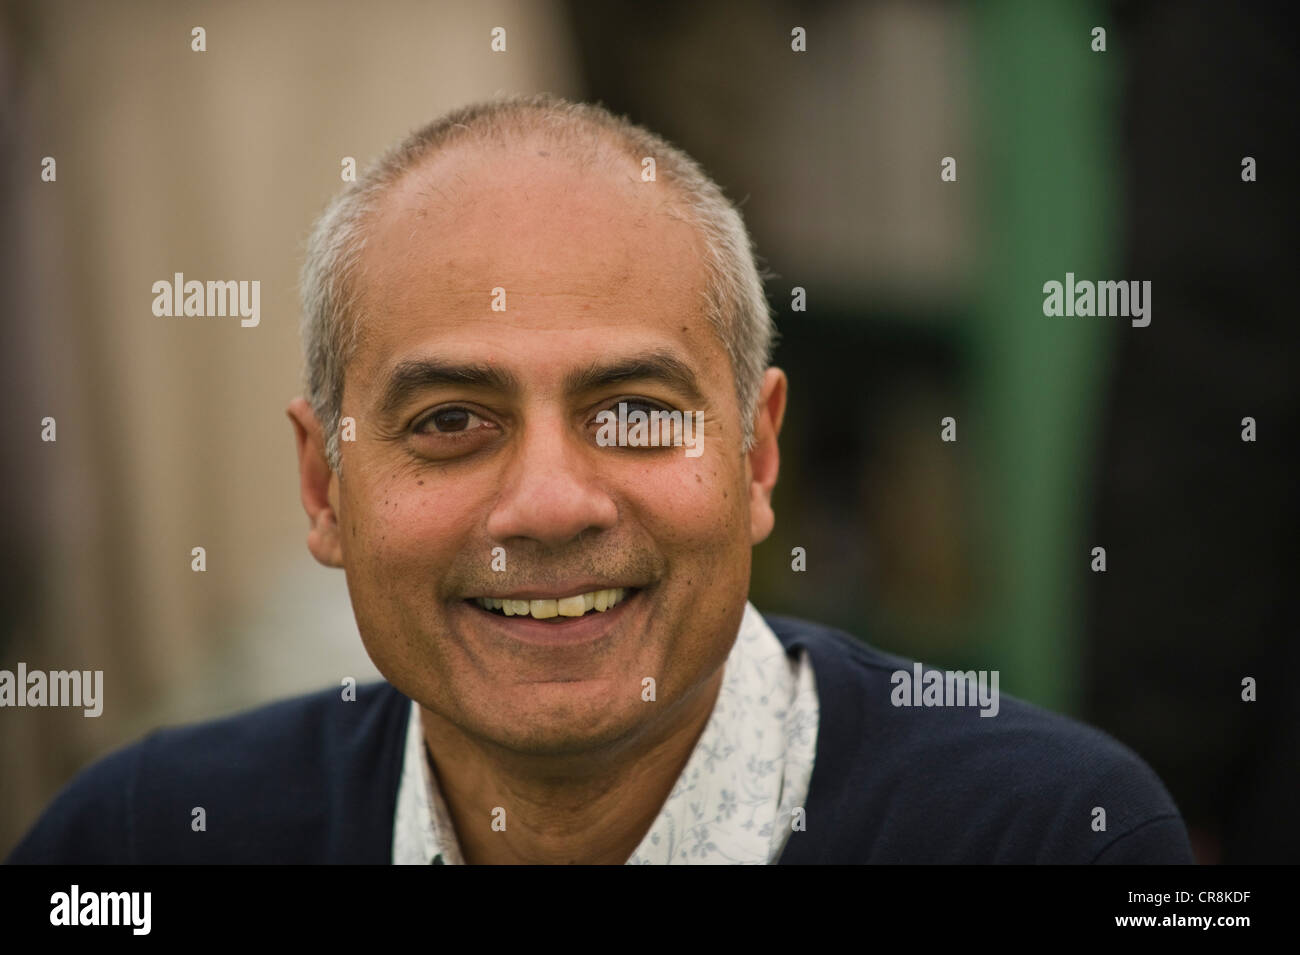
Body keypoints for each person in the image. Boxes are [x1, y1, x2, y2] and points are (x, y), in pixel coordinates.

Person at [7, 93, 1194, 864]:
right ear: (324, 487)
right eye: (452, 420)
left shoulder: (1051, 839)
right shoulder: (139, 848)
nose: (550, 502)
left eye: (631, 413)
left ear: (756, 455)